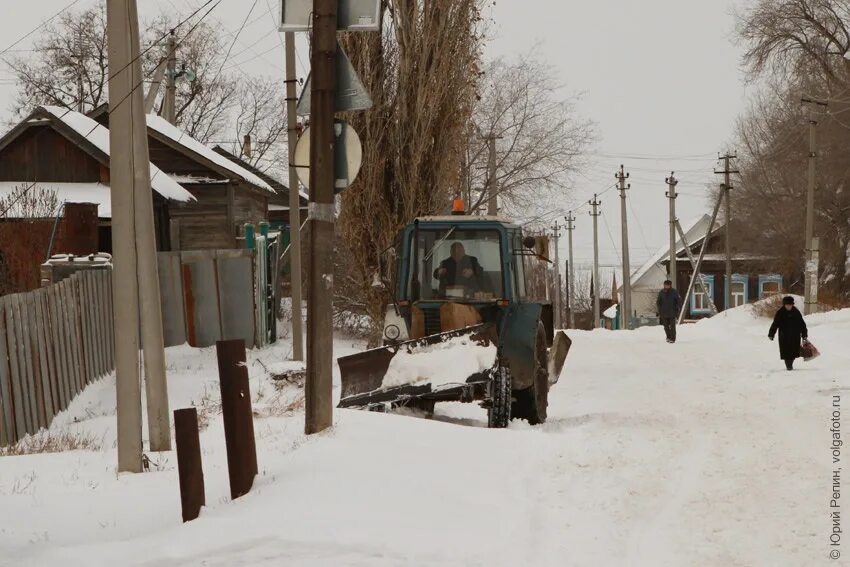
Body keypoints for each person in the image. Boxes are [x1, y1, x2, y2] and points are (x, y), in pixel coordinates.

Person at [768, 296, 808, 371]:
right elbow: (775, 324)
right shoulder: (780, 312)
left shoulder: (796, 312)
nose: (788, 306)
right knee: (786, 351)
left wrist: (804, 335)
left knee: (794, 351)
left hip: (795, 336)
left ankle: (790, 364)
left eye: (790, 305)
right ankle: (788, 365)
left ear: (792, 305)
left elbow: (802, 324)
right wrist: (771, 334)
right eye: (787, 305)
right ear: (784, 305)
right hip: (784, 336)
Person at [656, 279, 682, 343]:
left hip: (672, 312)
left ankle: (672, 339)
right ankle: (668, 337)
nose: (666, 286)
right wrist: (659, 310)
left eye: (667, 285)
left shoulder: (674, 292)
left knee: (672, 327)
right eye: (665, 285)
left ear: (670, 285)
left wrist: (677, 308)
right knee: (666, 327)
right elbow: (658, 302)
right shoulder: (661, 292)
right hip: (664, 313)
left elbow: (679, 301)